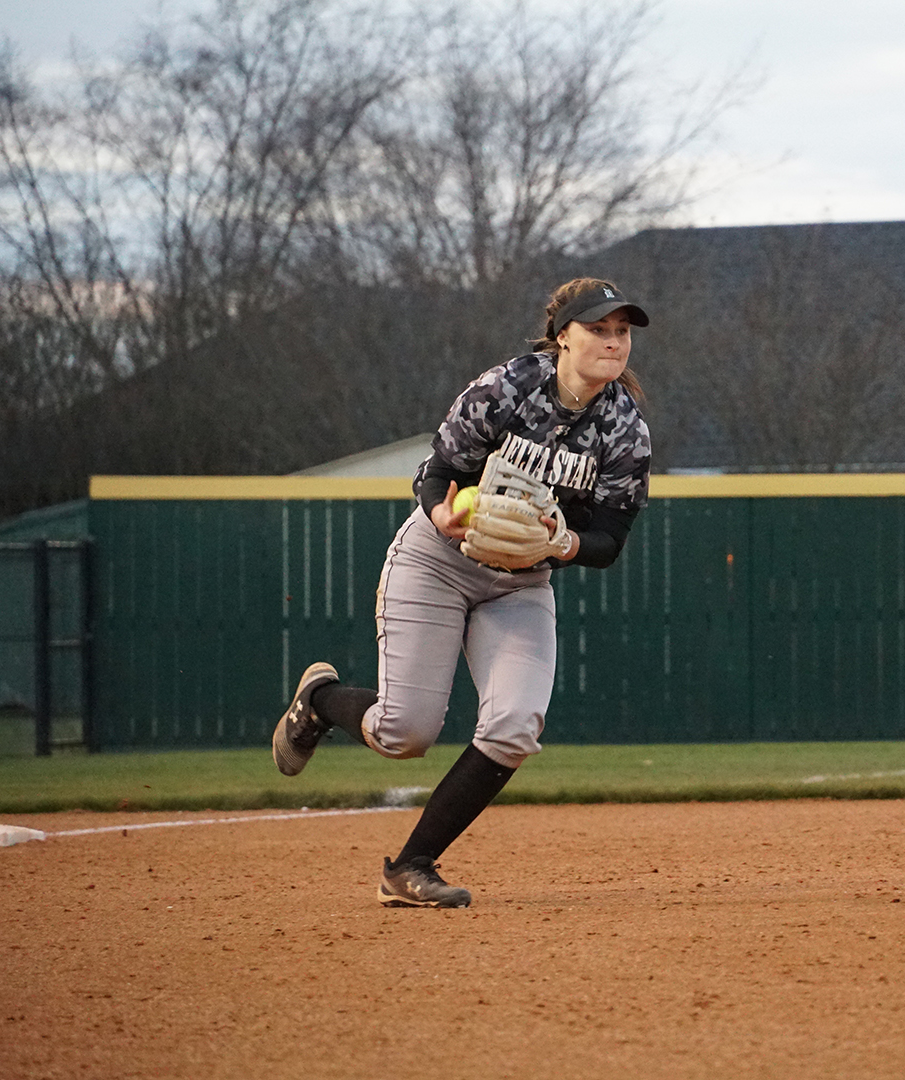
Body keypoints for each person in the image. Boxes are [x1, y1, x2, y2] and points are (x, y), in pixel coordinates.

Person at [272, 278, 653, 904]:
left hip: (522, 581)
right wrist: (441, 512)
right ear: (564, 337)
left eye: (622, 332)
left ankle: (410, 865)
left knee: (514, 726)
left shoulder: (625, 429)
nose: (614, 342)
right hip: (438, 560)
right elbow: (437, 472)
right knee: (405, 734)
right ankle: (320, 701)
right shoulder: (506, 389)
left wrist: (564, 546)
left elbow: (610, 538)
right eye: (598, 329)